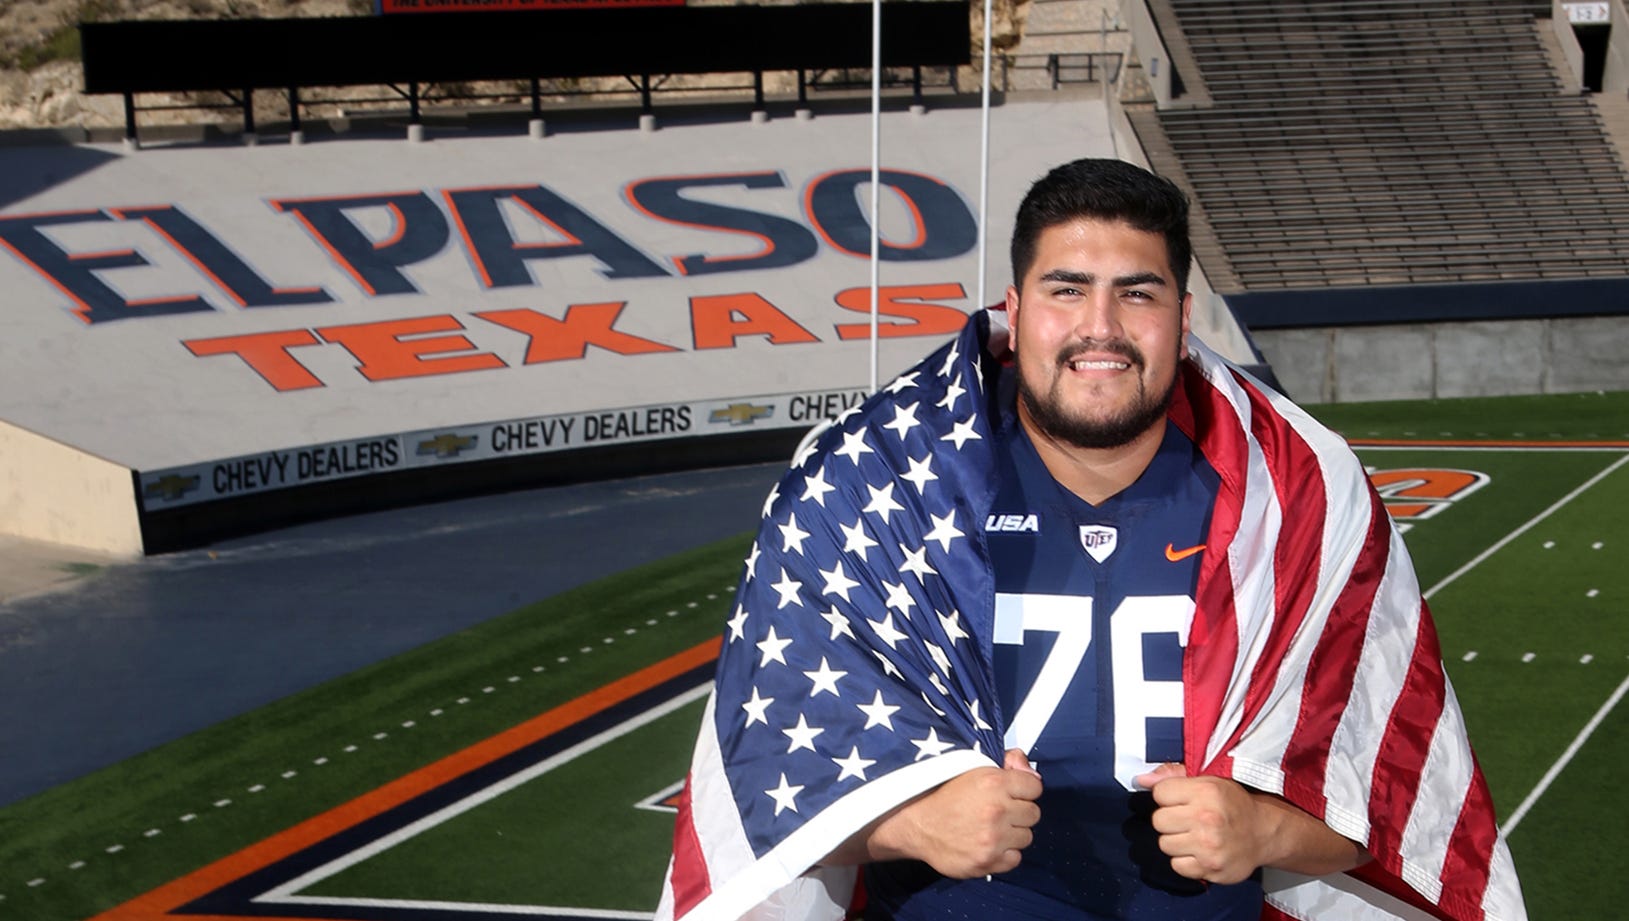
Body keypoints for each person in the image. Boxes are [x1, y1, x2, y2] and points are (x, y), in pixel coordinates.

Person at [657, 159, 1525, 921]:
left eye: (1136, 292)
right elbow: (764, 784)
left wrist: (1265, 827)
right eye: (1066, 288)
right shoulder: (877, 487)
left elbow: (1398, 803)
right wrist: (916, 823)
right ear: (1014, 307)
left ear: (1184, 316)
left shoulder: (1294, 495)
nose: (1099, 326)